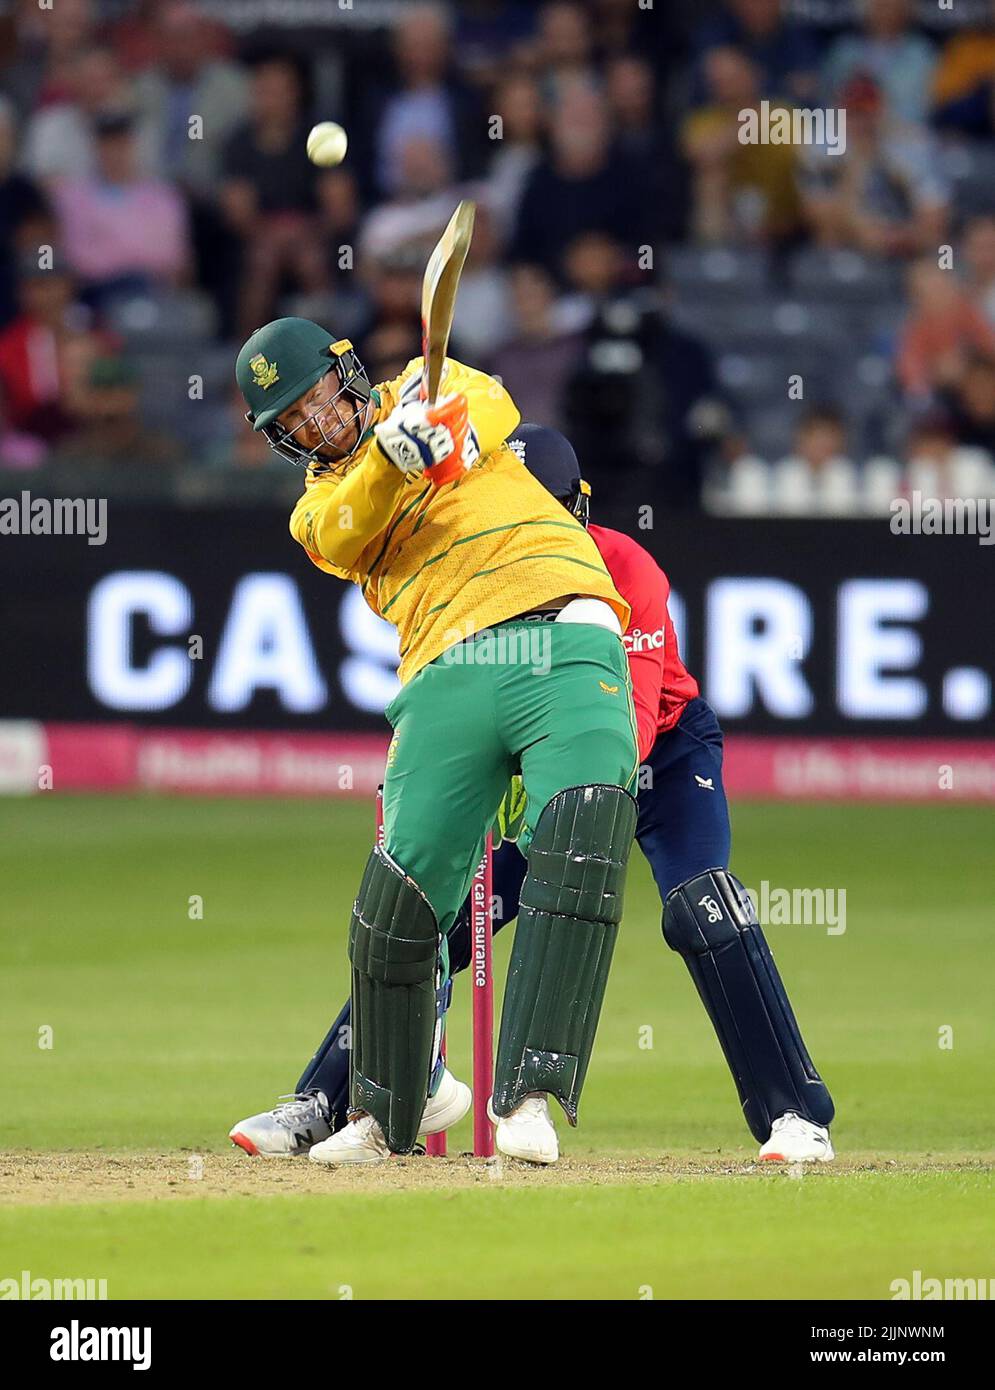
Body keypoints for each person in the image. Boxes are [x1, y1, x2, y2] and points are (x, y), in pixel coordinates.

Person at [229, 425, 836, 1167]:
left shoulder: (622, 565)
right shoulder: (475, 575)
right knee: (438, 916)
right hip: (540, 767)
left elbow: (631, 723)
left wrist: (537, 796)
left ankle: (795, 1119)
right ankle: (330, 1103)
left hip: (656, 758)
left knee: (700, 906)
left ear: (576, 507)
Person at [232, 319, 639, 1165]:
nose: (313, 426)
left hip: (557, 621)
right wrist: (387, 457)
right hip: (445, 664)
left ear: (346, 374)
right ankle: (386, 1117)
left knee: (583, 830)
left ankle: (527, 1100)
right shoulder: (315, 511)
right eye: (291, 424)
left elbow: (489, 410)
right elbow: (347, 523)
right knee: (397, 904)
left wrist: (429, 428)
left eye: (315, 402)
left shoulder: (433, 376)